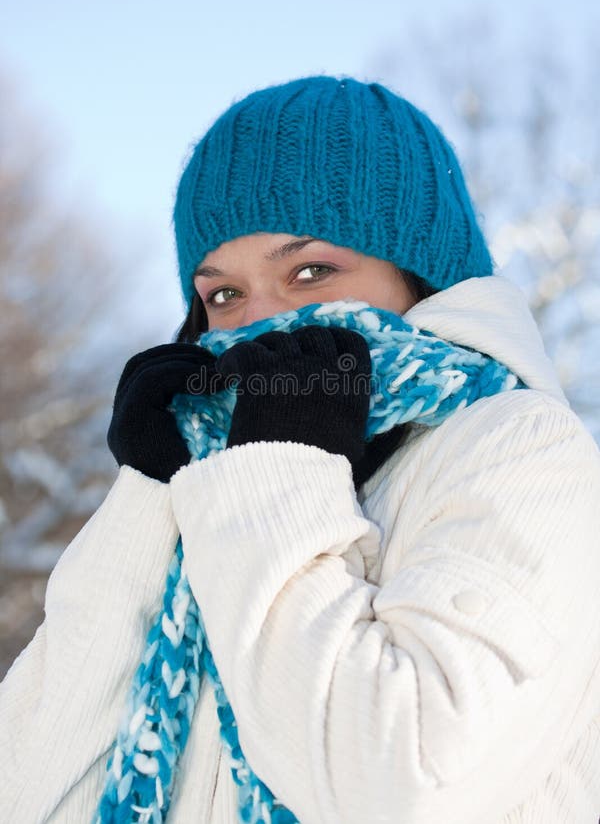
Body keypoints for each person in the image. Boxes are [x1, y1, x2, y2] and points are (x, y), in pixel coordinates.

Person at [1, 75, 600, 823]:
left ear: (420, 276)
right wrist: (153, 495)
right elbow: (24, 790)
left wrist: (281, 463)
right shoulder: (220, 485)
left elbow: (403, 785)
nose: (262, 320)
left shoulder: (521, 451)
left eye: (309, 272)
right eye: (223, 294)